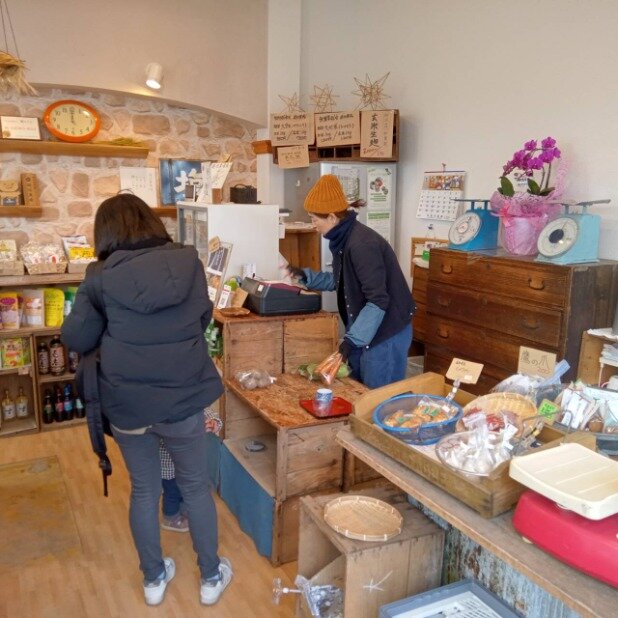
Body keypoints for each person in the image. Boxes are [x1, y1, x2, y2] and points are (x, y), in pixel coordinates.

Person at [61, 193, 232, 607]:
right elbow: (202, 318)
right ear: (151, 222)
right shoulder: (189, 261)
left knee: (143, 489)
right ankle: (211, 577)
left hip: (129, 403)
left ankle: (153, 580)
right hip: (183, 396)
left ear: (105, 232)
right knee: (195, 486)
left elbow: (76, 338)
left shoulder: (99, 277)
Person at [288, 175, 415, 388]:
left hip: (386, 331)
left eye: (314, 219)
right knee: (358, 392)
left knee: (378, 398)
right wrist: (304, 276)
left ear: (331, 217)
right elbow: (341, 281)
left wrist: (352, 340)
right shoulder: (343, 238)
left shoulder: (361, 244)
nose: (313, 225)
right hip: (366, 326)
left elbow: (378, 300)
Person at [159, 409, 223, 533]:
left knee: (186, 489)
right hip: (169, 468)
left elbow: (203, 408)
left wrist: (214, 421)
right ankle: (170, 518)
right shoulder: (162, 412)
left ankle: (185, 511)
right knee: (171, 492)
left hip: (189, 465)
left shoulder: (189, 402)